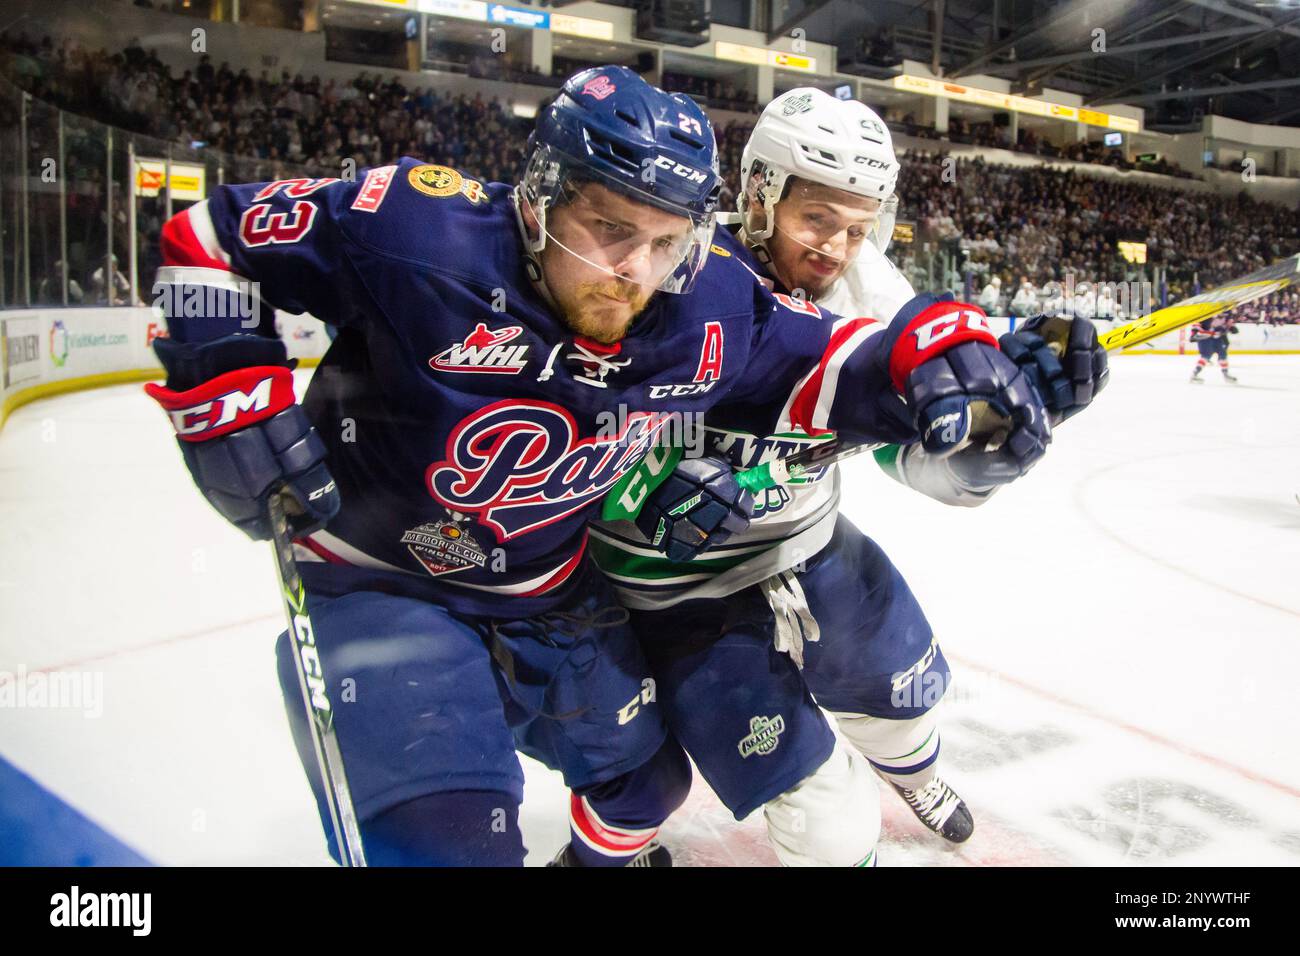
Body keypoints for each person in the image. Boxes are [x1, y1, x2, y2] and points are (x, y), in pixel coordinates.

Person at [143, 67, 1038, 867]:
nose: (634, 274)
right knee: (448, 849)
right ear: (538, 196)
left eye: (666, 240)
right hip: (384, 581)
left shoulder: (707, 297)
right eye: (609, 229)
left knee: (647, 787)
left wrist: (944, 359)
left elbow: (836, 366)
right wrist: (224, 386)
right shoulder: (418, 229)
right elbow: (213, 237)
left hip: (551, 588)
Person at [586, 89, 1107, 866]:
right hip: (676, 587)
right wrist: (641, 485)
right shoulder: (672, 274)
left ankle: (916, 773)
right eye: (818, 219)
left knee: (904, 701)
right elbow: (576, 426)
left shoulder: (879, 299)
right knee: (831, 831)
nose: (837, 248)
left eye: (858, 227)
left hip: (809, 541)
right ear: (760, 195)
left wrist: (989, 438)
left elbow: (925, 462)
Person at [1189, 316, 1238, 383]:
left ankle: (1226, 374)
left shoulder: (1227, 311)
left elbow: (1228, 321)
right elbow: (1198, 321)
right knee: (1206, 356)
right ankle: (1194, 374)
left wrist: (1232, 327)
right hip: (1206, 336)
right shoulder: (1208, 309)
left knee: (1223, 354)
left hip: (1218, 336)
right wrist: (1193, 333)